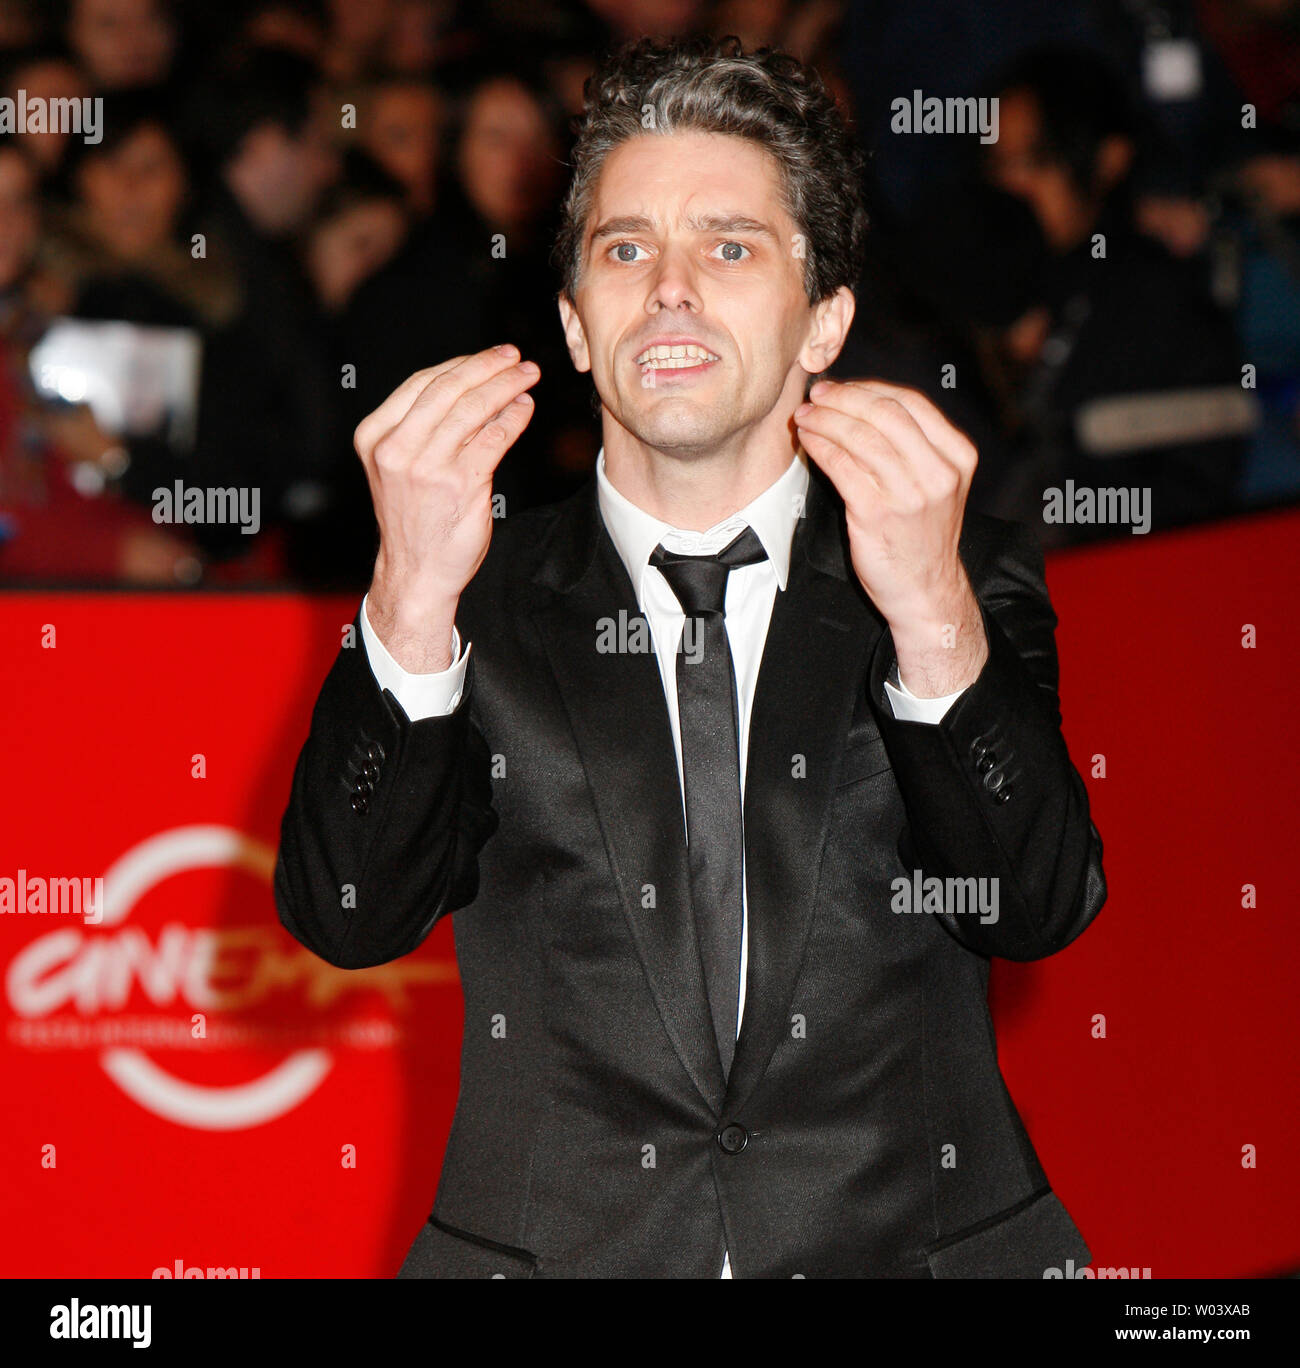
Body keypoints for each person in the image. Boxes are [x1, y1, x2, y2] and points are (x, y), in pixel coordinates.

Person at [274, 35, 1107, 1278]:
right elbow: (348, 920)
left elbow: (1033, 909)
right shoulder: (467, 589)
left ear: (825, 318)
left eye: (729, 246)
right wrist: (406, 593)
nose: (669, 288)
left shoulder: (953, 567)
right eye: (624, 250)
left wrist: (932, 611)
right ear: (570, 322)